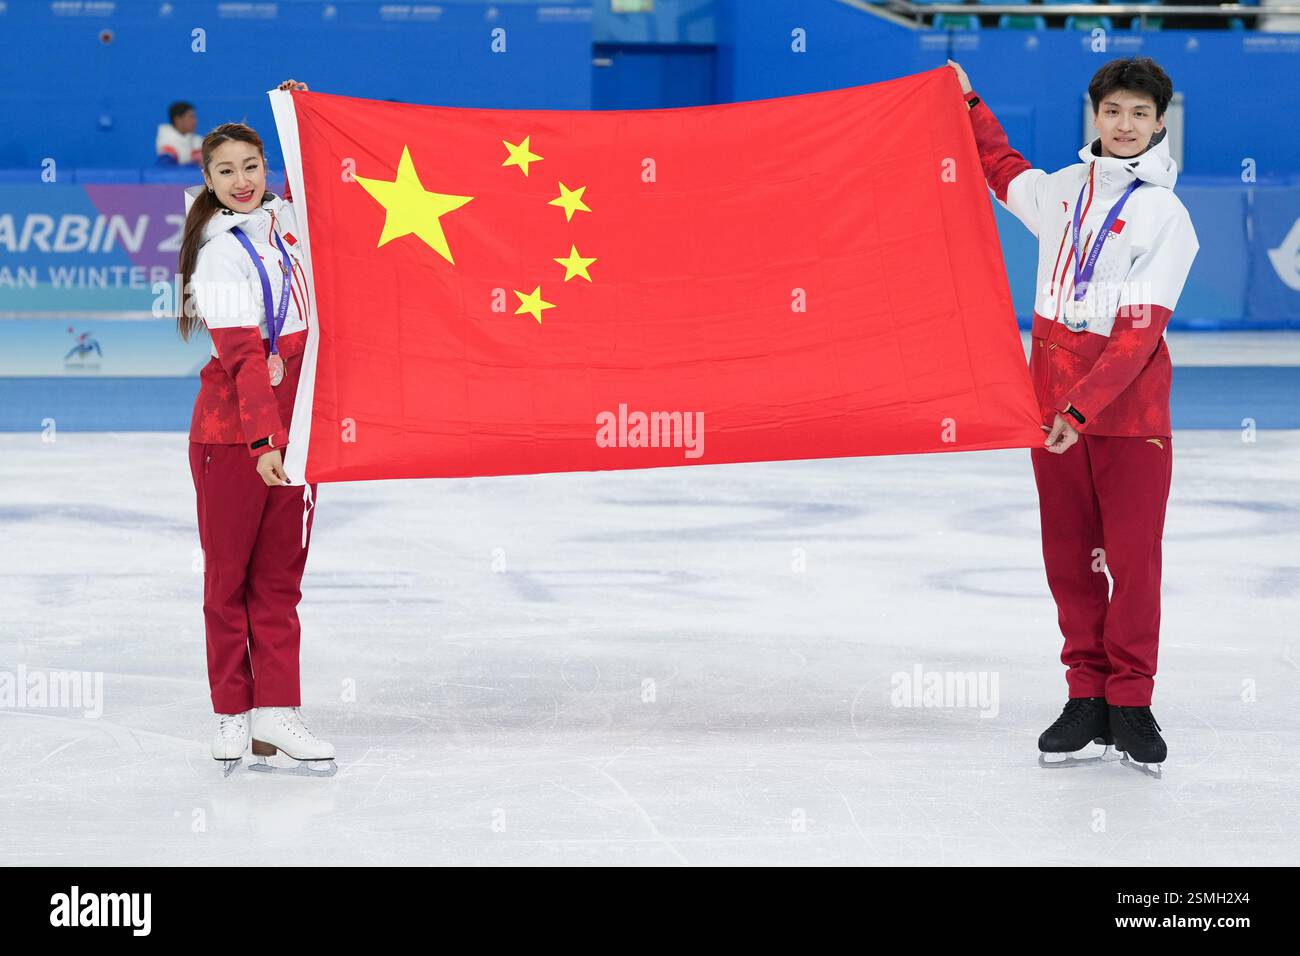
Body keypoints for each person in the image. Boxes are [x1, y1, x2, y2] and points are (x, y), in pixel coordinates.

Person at [948, 57, 1200, 776]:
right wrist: (965, 97)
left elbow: (1137, 335)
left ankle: (1131, 703)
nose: (1125, 126)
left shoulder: (1166, 216)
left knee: (1131, 564)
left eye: (1140, 115)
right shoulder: (1060, 192)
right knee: (1070, 564)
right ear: (1096, 117)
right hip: (1050, 415)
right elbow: (999, 165)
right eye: (1113, 112)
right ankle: (1085, 696)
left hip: (1126, 417)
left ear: (1159, 123)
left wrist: (1080, 408)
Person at [175, 78, 336, 777]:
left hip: (298, 428)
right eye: (226, 170)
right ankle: (232, 716)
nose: (242, 181)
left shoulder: (288, 224)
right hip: (235, 437)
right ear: (207, 180)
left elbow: (328, 178)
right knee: (229, 580)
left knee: (280, 580)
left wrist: (304, 115)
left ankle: (276, 714)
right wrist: (264, 441)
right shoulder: (217, 254)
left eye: (252, 166)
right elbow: (243, 357)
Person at [156, 101, 203, 166]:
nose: (195, 121)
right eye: (191, 117)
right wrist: (194, 164)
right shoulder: (167, 142)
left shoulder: (197, 140)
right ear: (178, 120)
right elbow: (167, 170)